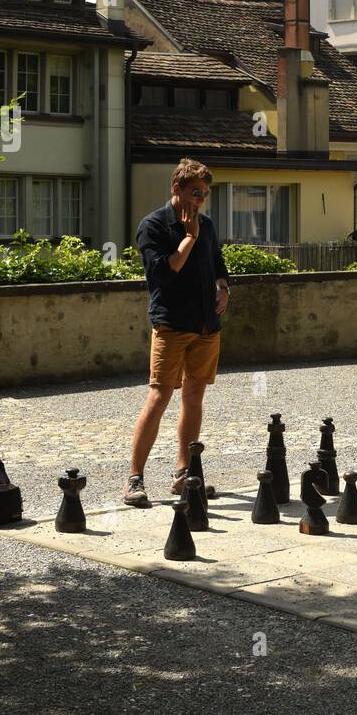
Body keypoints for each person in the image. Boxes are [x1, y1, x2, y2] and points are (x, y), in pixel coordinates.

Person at [124, 159, 230, 506]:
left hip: (205, 326)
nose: (199, 201)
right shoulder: (152, 226)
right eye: (194, 193)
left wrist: (223, 286)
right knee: (159, 397)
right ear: (176, 189)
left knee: (194, 397)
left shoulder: (208, 225)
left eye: (204, 195)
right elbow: (163, 275)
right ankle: (135, 480)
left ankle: (183, 474)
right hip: (171, 325)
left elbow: (216, 260)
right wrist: (187, 239)